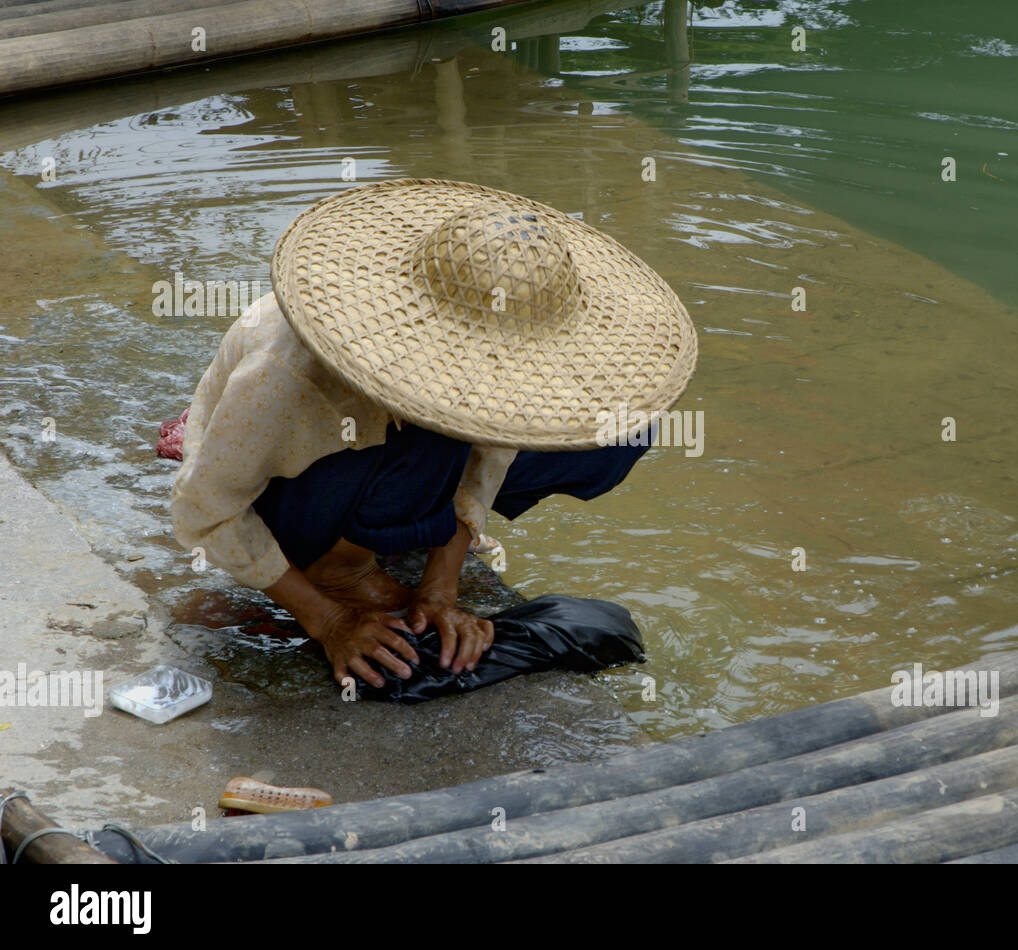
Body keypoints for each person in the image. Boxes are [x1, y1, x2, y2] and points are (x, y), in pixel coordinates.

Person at [170, 178, 697, 690]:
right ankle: (339, 565)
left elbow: (493, 444)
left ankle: (399, 530)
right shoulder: (283, 373)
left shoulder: (499, 367)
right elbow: (203, 509)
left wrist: (441, 588)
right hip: (291, 493)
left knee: (618, 433)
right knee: (434, 437)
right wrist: (327, 620)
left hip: (381, 461)